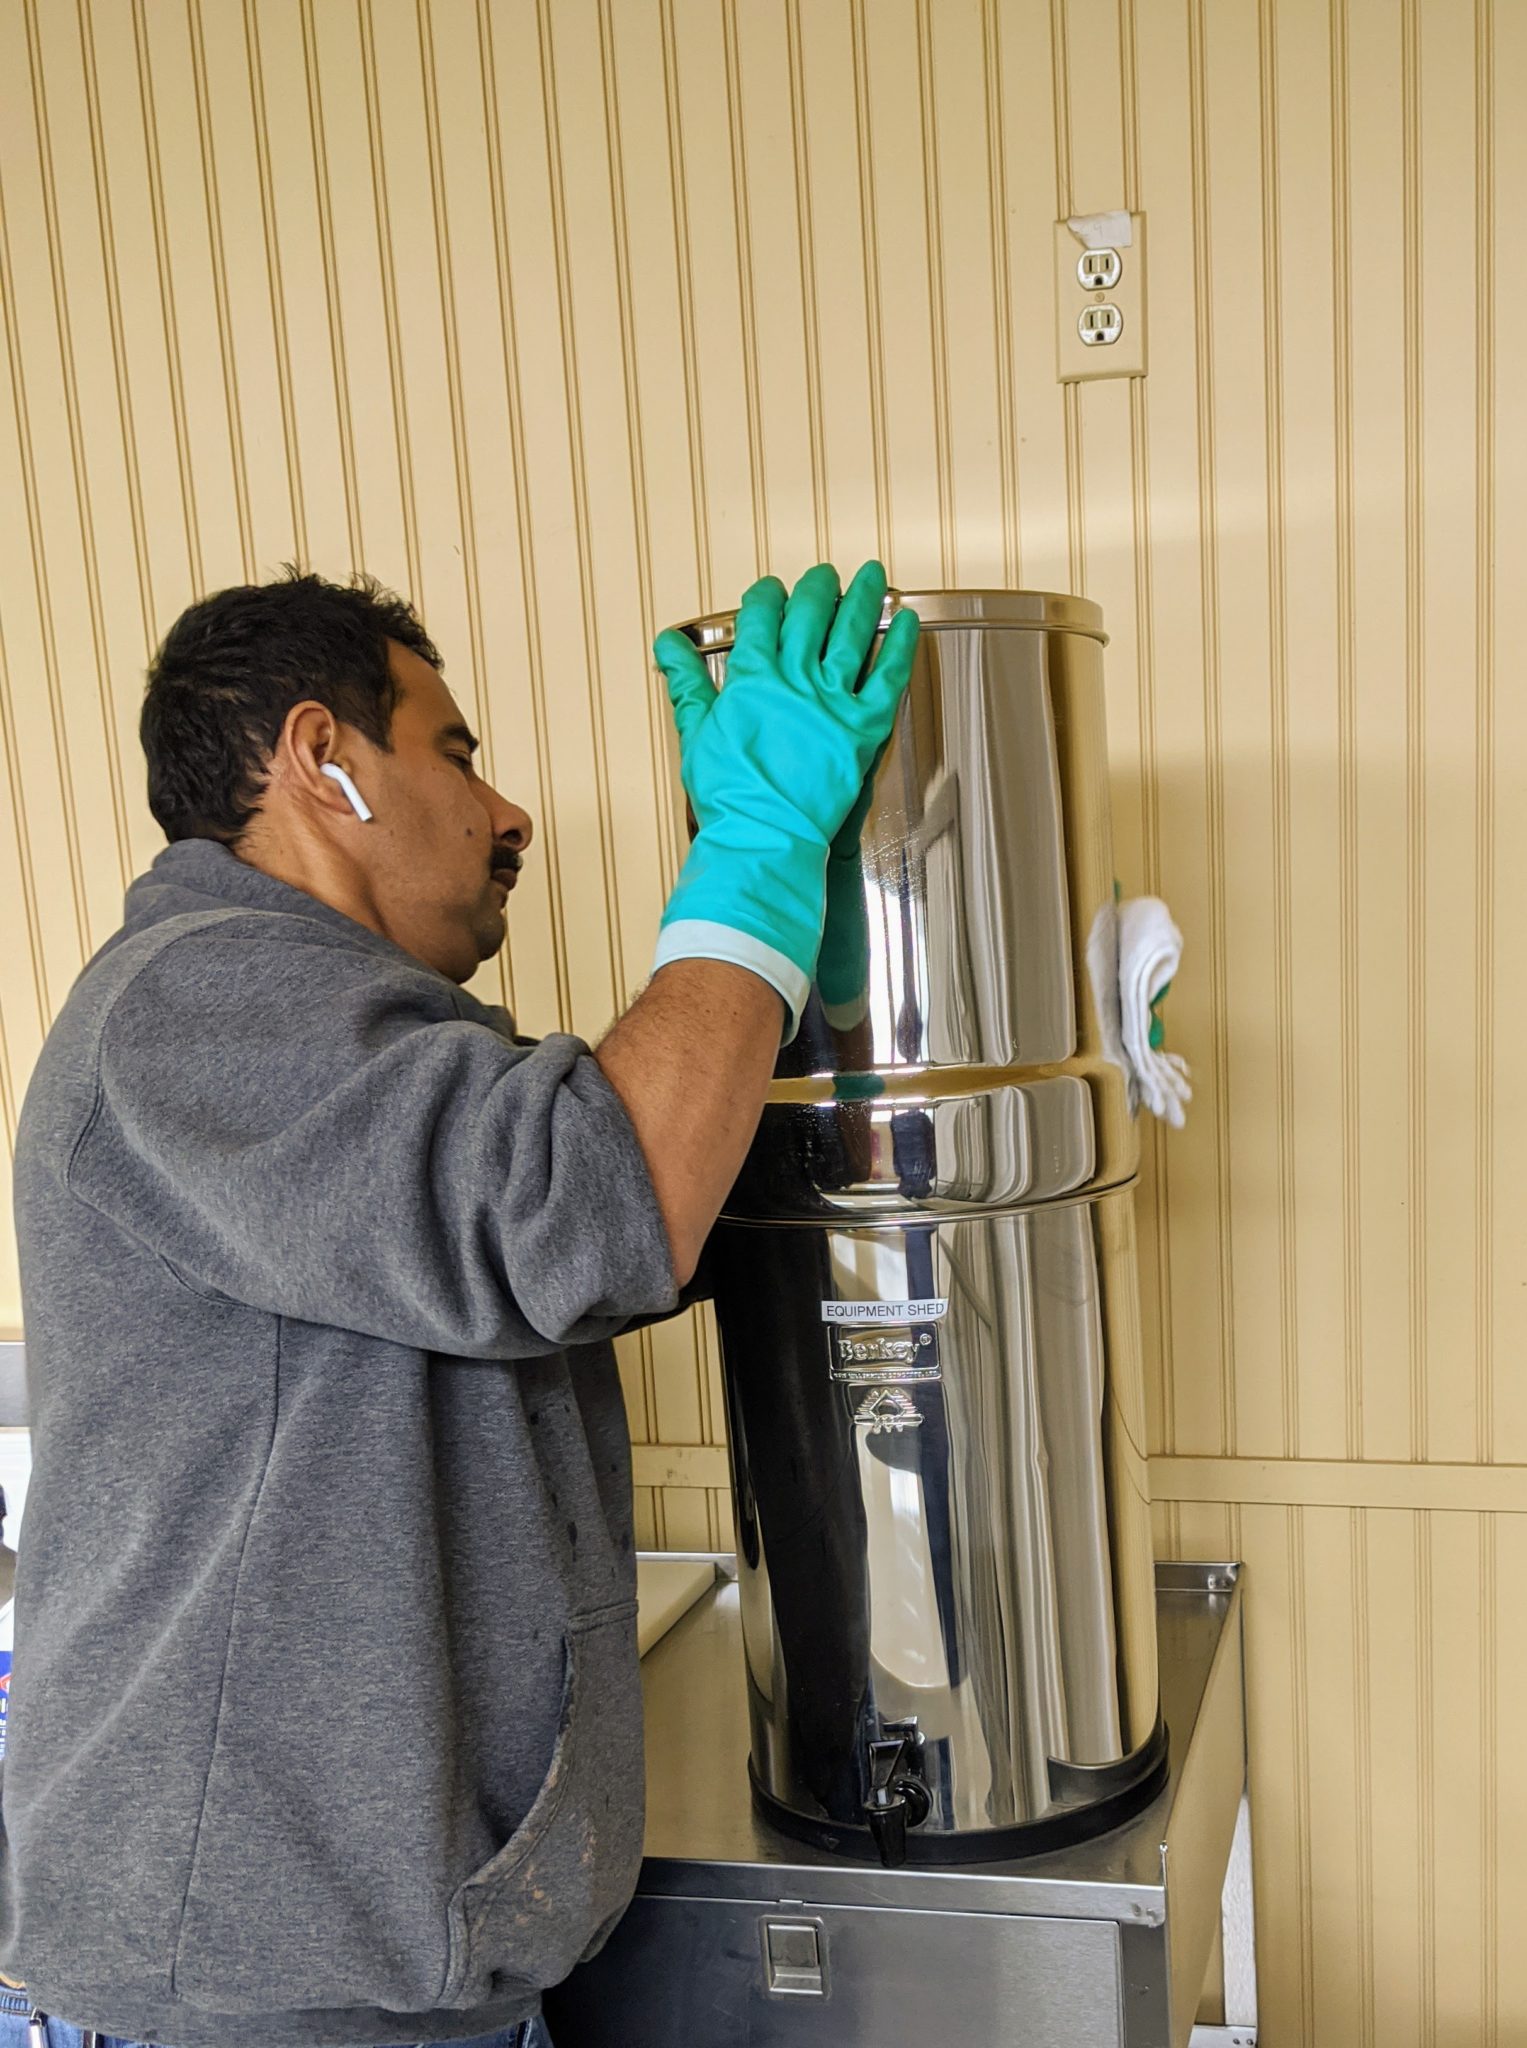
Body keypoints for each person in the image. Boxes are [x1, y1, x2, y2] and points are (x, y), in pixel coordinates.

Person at [0, 562, 918, 2048]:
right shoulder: (204, 999)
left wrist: (813, 952)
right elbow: (579, 1211)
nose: (509, 816)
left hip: (371, 1959)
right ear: (320, 759)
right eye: (456, 751)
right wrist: (751, 846)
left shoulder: (344, 1028)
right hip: (274, 1983)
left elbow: (623, 1229)